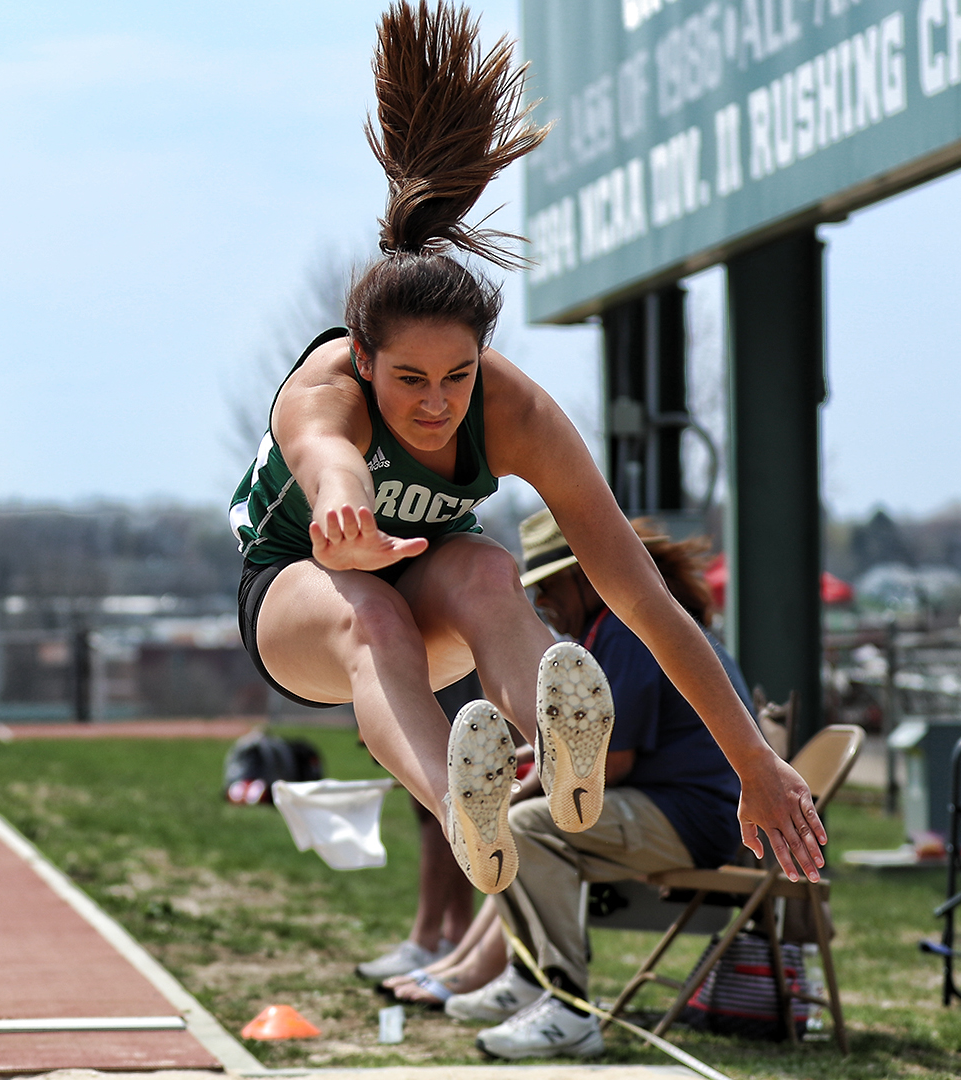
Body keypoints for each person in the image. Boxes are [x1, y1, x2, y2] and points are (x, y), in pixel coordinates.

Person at [229, 0, 824, 898]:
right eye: (410, 381)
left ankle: (558, 750)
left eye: (457, 376)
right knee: (372, 614)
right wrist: (344, 508)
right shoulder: (326, 389)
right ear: (365, 360)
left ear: (482, 362)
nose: (436, 406)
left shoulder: (514, 412)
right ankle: (460, 806)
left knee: (488, 572)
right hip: (298, 601)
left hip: (429, 589)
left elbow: (644, 596)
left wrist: (752, 760)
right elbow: (326, 459)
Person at [450, 511, 753, 1059]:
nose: (542, 602)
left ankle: (568, 1008)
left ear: (582, 576)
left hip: (692, 818)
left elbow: (618, 761)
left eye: (546, 585)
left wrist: (518, 787)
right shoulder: (616, 625)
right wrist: (530, 761)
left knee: (521, 826)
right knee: (508, 823)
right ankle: (530, 978)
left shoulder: (621, 630)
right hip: (679, 807)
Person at [355, 674, 480, 982]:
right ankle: (456, 937)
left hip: (441, 658)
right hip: (455, 658)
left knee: (439, 799)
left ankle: (427, 940)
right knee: (465, 797)